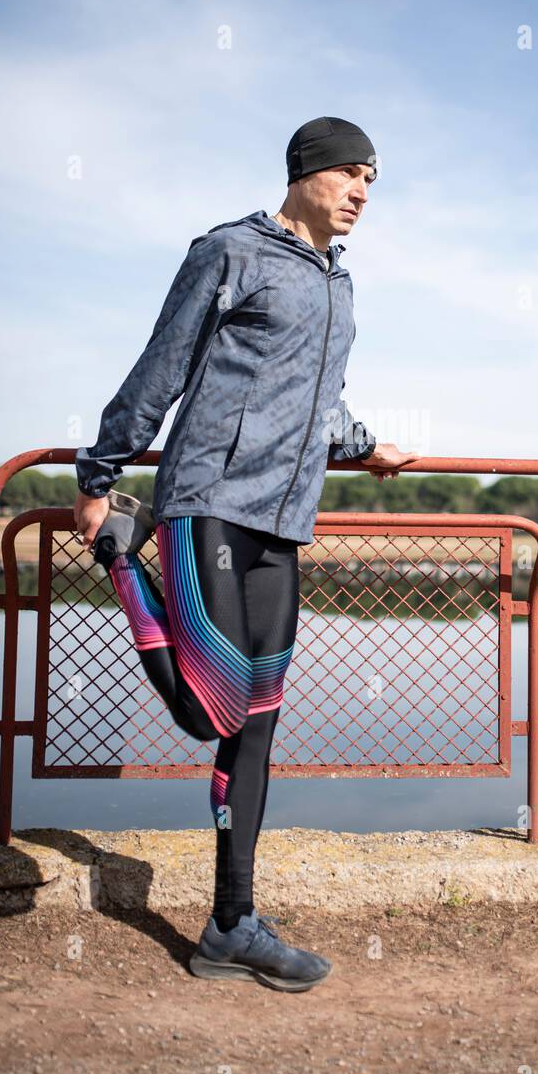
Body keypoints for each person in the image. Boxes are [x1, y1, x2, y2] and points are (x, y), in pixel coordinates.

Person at [73, 116, 419, 990]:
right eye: (350, 173)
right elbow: (165, 362)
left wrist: (365, 445)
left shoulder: (340, 285)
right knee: (208, 712)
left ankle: (233, 923)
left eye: (372, 180)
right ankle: (124, 553)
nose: (363, 193)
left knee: (256, 725)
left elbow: (321, 400)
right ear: (306, 173)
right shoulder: (230, 251)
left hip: (283, 522)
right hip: (209, 506)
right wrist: (102, 469)